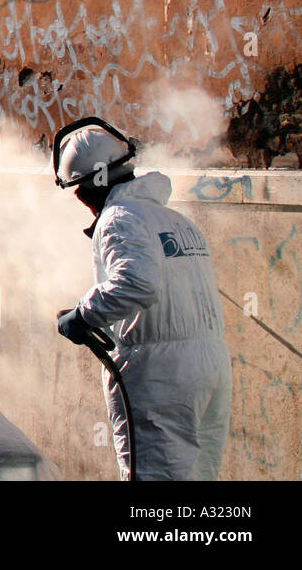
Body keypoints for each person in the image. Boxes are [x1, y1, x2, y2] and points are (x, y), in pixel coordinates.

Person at [52, 117, 232, 480]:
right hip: (210, 365)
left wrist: (84, 316)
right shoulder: (173, 219)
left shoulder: (119, 218)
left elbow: (137, 283)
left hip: (160, 375)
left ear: (84, 191)